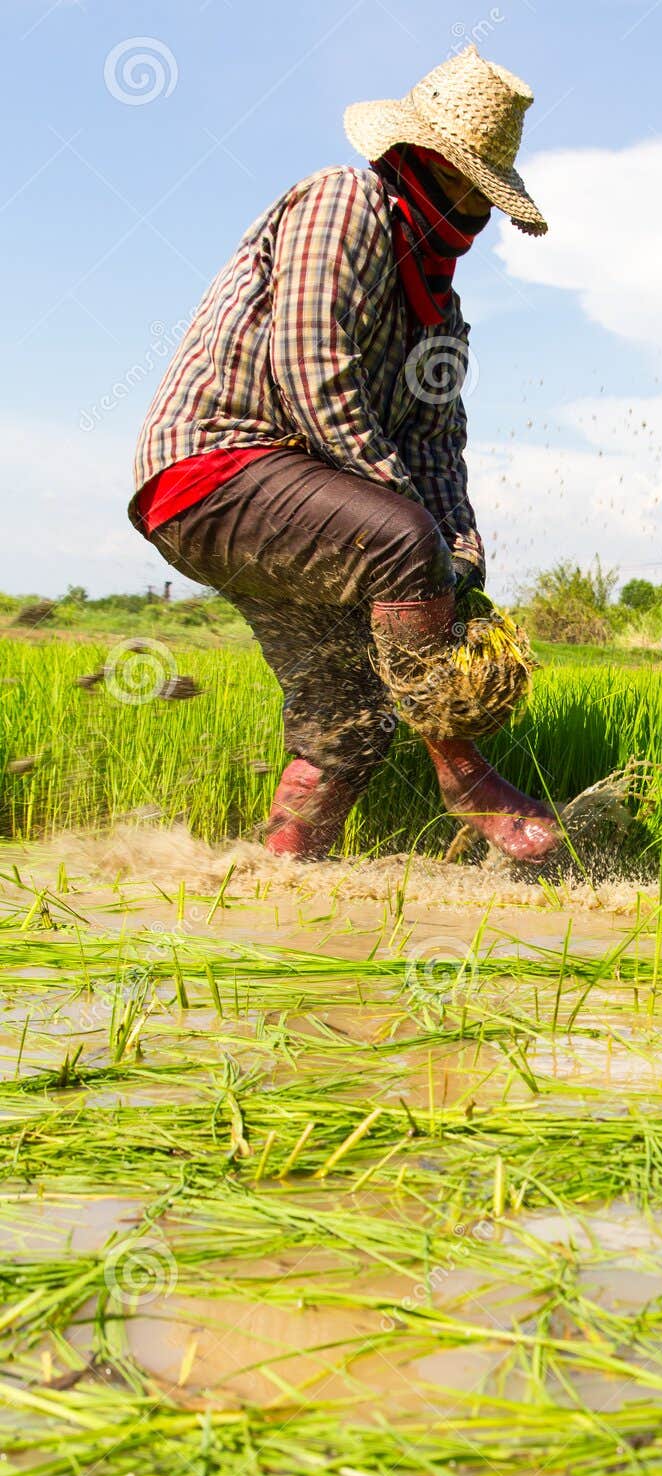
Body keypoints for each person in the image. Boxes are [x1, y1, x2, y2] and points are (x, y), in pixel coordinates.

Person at [129, 47, 560, 864]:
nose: (473, 214)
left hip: (310, 513)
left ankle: (277, 878)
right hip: (217, 470)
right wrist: (418, 539)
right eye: (464, 187)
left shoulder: (441, 319)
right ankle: (465, 777)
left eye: (484, 199)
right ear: (423, 161)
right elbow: (310, 368)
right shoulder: (342, 203)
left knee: (350, 721)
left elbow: (436, 447)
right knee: (403, 539)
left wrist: (461, 557)